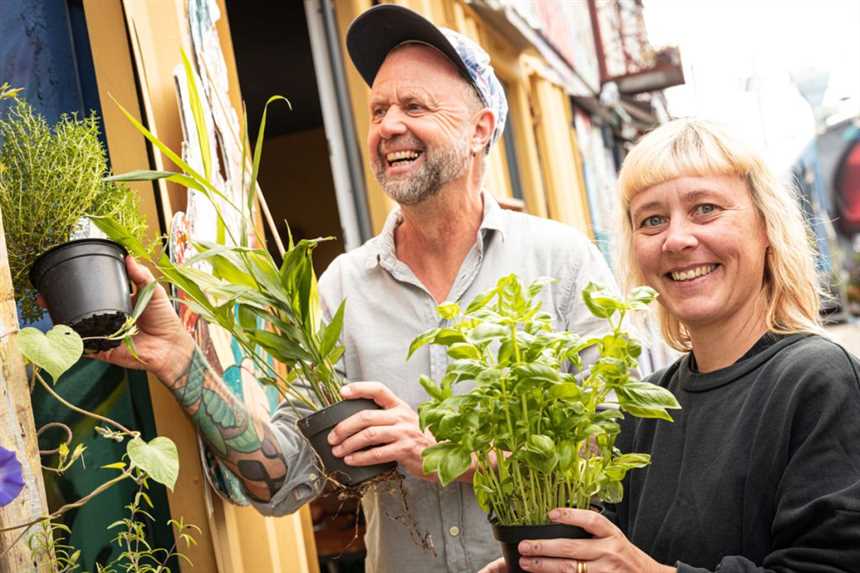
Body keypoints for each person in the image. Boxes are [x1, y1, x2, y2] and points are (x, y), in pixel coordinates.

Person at [88, 4, 622, 572]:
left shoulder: (562, 262)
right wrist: (180, 361)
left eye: (414, 106)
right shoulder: (344, 285)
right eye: (378, 110)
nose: (388, 125)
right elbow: (283, 479)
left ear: (480, 130)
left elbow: (615, 456)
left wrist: (447, 453)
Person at [480, 118, 860, 573]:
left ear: (766, 228)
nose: (677, 240)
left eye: (705, 208)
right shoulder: (646, 408)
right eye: (652, 220)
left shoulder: (819, 379)